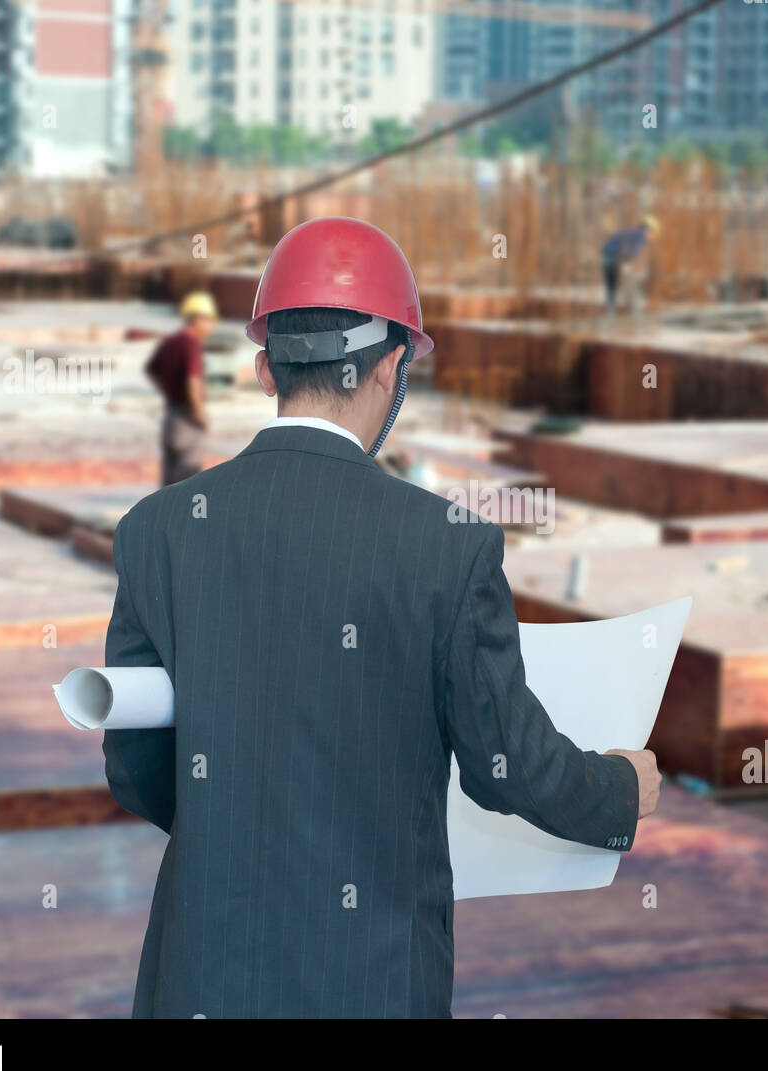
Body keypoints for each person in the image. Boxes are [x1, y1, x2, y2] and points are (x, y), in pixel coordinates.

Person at [102, 217, 661, 1018]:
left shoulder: (155, 532)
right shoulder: (446, 547)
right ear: (392, 367)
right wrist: (615, 790)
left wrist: (241, 818)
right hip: (369, 981)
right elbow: (509, 766)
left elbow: (137, 770)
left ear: (266, 369)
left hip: (201, 974)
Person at [145, 291, 218, 485]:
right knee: (187, 483)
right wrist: (198, 415)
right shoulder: (191, 345)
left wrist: (168, 390)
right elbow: (193, 382)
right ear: (197, 319)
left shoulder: (171, 342)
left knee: (169, 484)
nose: (211, 326)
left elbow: (151, 370)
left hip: (171, 419)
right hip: (187, 420)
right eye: (209, 320)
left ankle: (164, 516)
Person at [601, 214, 659, 315]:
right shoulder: (642, 235)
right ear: (650, 229)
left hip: (605, 256)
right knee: (629, 283)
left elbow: (612, 243)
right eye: (652, 232)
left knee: (611, 285)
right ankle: (634, 310)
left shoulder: (627, 230)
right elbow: (633, 251)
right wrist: (626, 262)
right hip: (617, 258)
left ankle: (611, 310)